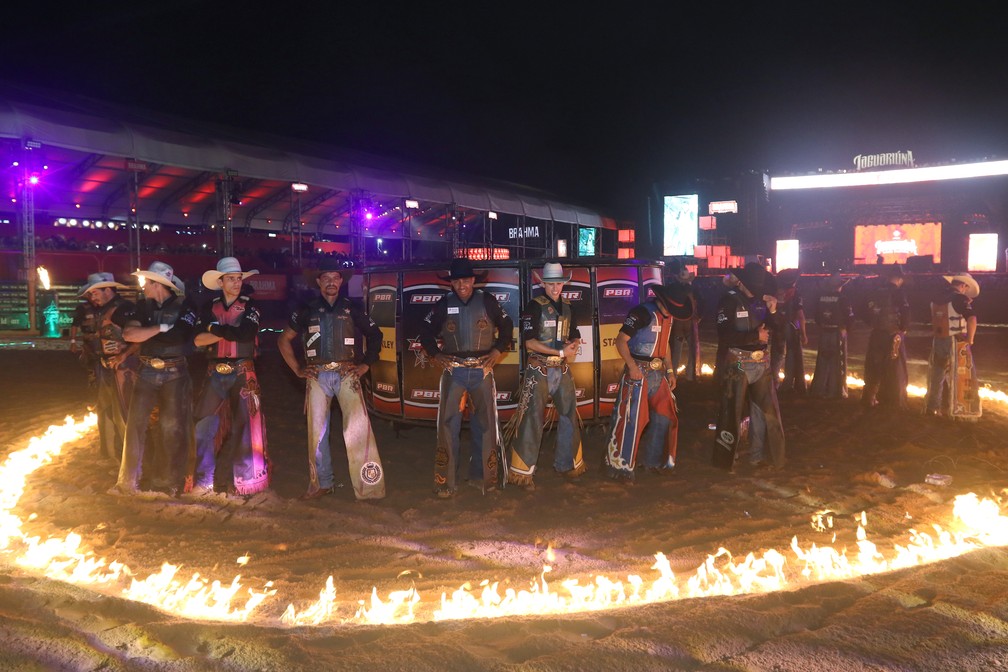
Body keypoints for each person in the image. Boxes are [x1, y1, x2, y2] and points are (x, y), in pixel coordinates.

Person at [278, 257, 385, 501]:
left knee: (358, 431)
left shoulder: (352, 308)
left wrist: (365, 365)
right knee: (317, 433)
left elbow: (375, 334)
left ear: (341, 281)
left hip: (348, 374)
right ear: (318, 281)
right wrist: (297, 369)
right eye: (325, 278)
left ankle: (367, 486)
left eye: (335, 277)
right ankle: (322, 483)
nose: (331, 282)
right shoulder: (306, 310)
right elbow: (283, 339)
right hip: (317, 376)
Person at [419, 258, 514, 498]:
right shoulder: (444, 303)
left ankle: (485, 479)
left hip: (482, 370)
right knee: (448, 425)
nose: (461, 284)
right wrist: (435, 353)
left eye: (465, 280)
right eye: (456, 281)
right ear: (451, 283)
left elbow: (507, 325)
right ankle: (445, 482)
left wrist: (497, 350)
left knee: (485, 426)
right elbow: (425, 331)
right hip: (454, 371)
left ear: (473, 280)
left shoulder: (487, 301)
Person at [109, 261, 197, 496]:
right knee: (135, 424)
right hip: (151, 369)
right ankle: (129, 481)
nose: (143, 286)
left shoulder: (184, 306)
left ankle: (165, 481)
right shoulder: (143, 306)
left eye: (146, 282)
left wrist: (149, 333)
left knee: (171, 427)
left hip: (173, 372)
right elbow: (129, 333)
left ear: (157, 284)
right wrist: (163, 328)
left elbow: (180, 336)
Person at [191, 257, 270, 496]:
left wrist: (213, 329)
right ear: (221, 281)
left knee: (246, 425)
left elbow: (246, 334)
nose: (237, 283)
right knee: (202, 423)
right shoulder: (208, 306)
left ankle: (245, 481)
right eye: (232, 279)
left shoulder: (251, 306)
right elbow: (196, 339)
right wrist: (228, 333)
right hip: (215, 371)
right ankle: (203, 478)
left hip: (243, 370)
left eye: (239, 279)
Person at [505, 263, 584, 490]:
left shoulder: (568, 307)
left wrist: (574, 344)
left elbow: (576, 333)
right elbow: (529, 342)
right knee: (532, 418)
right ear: (543, 284)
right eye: (551, 284)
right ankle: (522, 472)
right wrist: (561, 351)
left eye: (559, 283)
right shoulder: (533, 307)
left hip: (561, 368)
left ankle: (567, 464)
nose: (556, 288)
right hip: (539, 369)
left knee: (569, 415)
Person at [605, 282, 693, 482]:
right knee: (631, 419)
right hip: (639, 371)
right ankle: (620, 466)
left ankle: (652, 462)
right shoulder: (641, 313)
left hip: (657, 372)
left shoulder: (668, 317)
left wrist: (670, 370)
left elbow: (666, 345)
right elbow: (621, 340)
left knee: (665, 416)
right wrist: (632, 367)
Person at [712, 262, 786, 471]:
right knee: (731, 410)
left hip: (760, 361)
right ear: (742, 283)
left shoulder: (762, 302)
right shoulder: (728, 301)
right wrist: (755, 335)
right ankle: (728, 457)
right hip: (737, 360)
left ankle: (758, 455)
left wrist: (774, 311)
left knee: (764, 411)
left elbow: (781, 329)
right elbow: (724, 335)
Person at [72, 272, 139, 461]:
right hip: (106, 366)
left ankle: (130, 460)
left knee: (123, 413)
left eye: (95, 293)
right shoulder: (106, 309)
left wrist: (124, 354)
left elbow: (140, 337)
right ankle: (110, 455)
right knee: (105, 410)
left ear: (108, 290)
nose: (92, 297)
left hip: (123, 368)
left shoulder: (123, 309)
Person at [924, 273, 980, 418]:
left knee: (938, 374)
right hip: (955, 341)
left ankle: (933, 407)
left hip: (938, 340)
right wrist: (970, 339)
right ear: (963, 285)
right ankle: (962, 408)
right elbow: (972, 319)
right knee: (964, 373)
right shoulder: (959, 298)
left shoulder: (937, 296)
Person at [861, 264, 910, 412]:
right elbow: (905, 314)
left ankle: (869, 398)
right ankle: (894, 399)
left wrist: (873, 324)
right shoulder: (899, 294)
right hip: (893, 335)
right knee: (895, 368)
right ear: (900, 279)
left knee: (873, 366)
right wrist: (903, 329)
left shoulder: (875, 292)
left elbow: (865, 312)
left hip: (876, 334)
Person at [809, 272, 854, 399]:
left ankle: (819, 389)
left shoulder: (821, 298)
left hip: (824, 332)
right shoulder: (843, 298)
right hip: (837, 333)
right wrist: (846, 328)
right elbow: (850, 316)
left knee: (822, 361)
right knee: (837, 362)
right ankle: (836, 390)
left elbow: (816, 315)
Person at [769, 268, 807, 394]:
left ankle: (773, 383)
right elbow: (800, 315)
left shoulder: (775, 293)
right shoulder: (795, 293)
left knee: (777, 356)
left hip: (777, 327)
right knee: (792, 355)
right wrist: (804, 334)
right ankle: (789, 383)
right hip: (791, 327)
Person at [668, 260, 701, 381]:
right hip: (689, 322)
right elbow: (701, 303)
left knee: (676, 351)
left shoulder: (672, 288)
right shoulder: (692, 289)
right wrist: (699, 317)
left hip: (678, 323)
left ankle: (673, 375)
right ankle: (690, 374)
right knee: (692, 349)